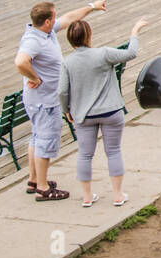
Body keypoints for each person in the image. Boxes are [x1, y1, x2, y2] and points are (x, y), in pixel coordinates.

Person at [14, 0, 109, 201]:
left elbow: (69, 18)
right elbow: (20, 61)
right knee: (45, 142)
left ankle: (33, 179)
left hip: (40, 100)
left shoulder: (44, 32)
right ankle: (43, 187)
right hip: (44, 101)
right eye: (54, 17)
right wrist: (34, 77)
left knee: (37, 137)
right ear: (47, 21)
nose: (57, 19)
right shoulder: (34, 40)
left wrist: (92, 7)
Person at [59, 14, 148, 206]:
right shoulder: (103, 54)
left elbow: (62, 90)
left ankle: (87, 197)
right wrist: (135, 31)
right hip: (110, 111)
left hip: (83, 114)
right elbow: (131, 53)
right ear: (89, 36)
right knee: (113, 151)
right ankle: (117, 195)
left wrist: (66, 109)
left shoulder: (67, 62)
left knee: (85, 154)